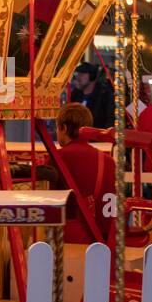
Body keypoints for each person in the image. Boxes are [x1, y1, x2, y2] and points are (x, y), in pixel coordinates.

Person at [55, 102, 115, 245]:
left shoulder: (57, 158)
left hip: (65, 238)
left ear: (63, 128)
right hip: (98, 237)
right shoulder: (107, 161)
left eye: (57, 128)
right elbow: (110, 206)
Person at [69, 61, 114, 130]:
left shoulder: (104, 95)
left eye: (82, 74)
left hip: (97, 138)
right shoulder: (75, 94)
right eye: (77, 74)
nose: (77, 78)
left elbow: (110, 120)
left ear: (92, 76)